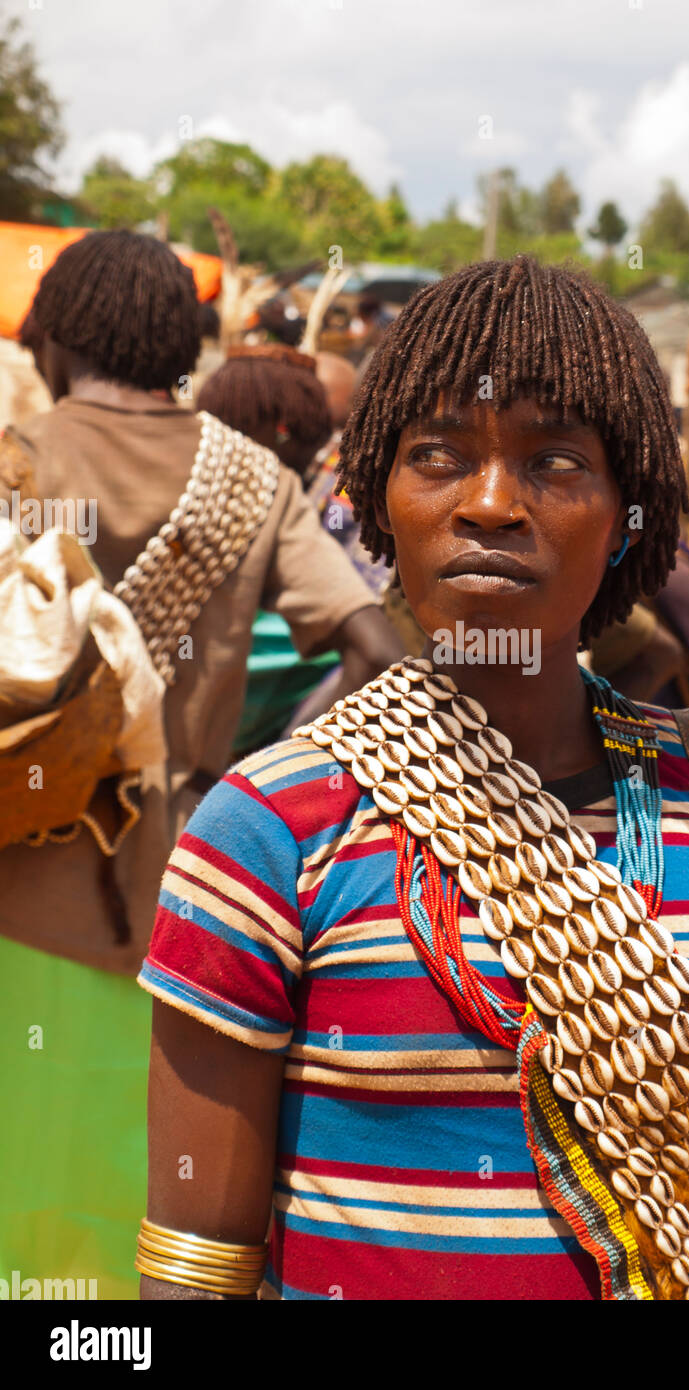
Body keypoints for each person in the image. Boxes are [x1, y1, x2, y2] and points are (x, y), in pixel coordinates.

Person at [137, 254, 689, 1301]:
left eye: (556, 463)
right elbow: (193, 1260)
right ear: (379, 503)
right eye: (436, 455)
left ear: (630, 513)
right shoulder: (267, 830)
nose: (490, 503)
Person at [0, 230, 400, 1298]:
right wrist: (265, 794)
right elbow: (380, 649)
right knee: (140, 1203)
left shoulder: (16, 455)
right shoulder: (253, 479)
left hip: (17, 894)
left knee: (17, 1201)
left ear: (55, 340)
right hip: (191, 913)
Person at [197, 343, 404, 754]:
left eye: (230, 426)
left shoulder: (347, 483)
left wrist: (282, 758)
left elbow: (369, 635)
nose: (217, 446)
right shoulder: (298, 479)